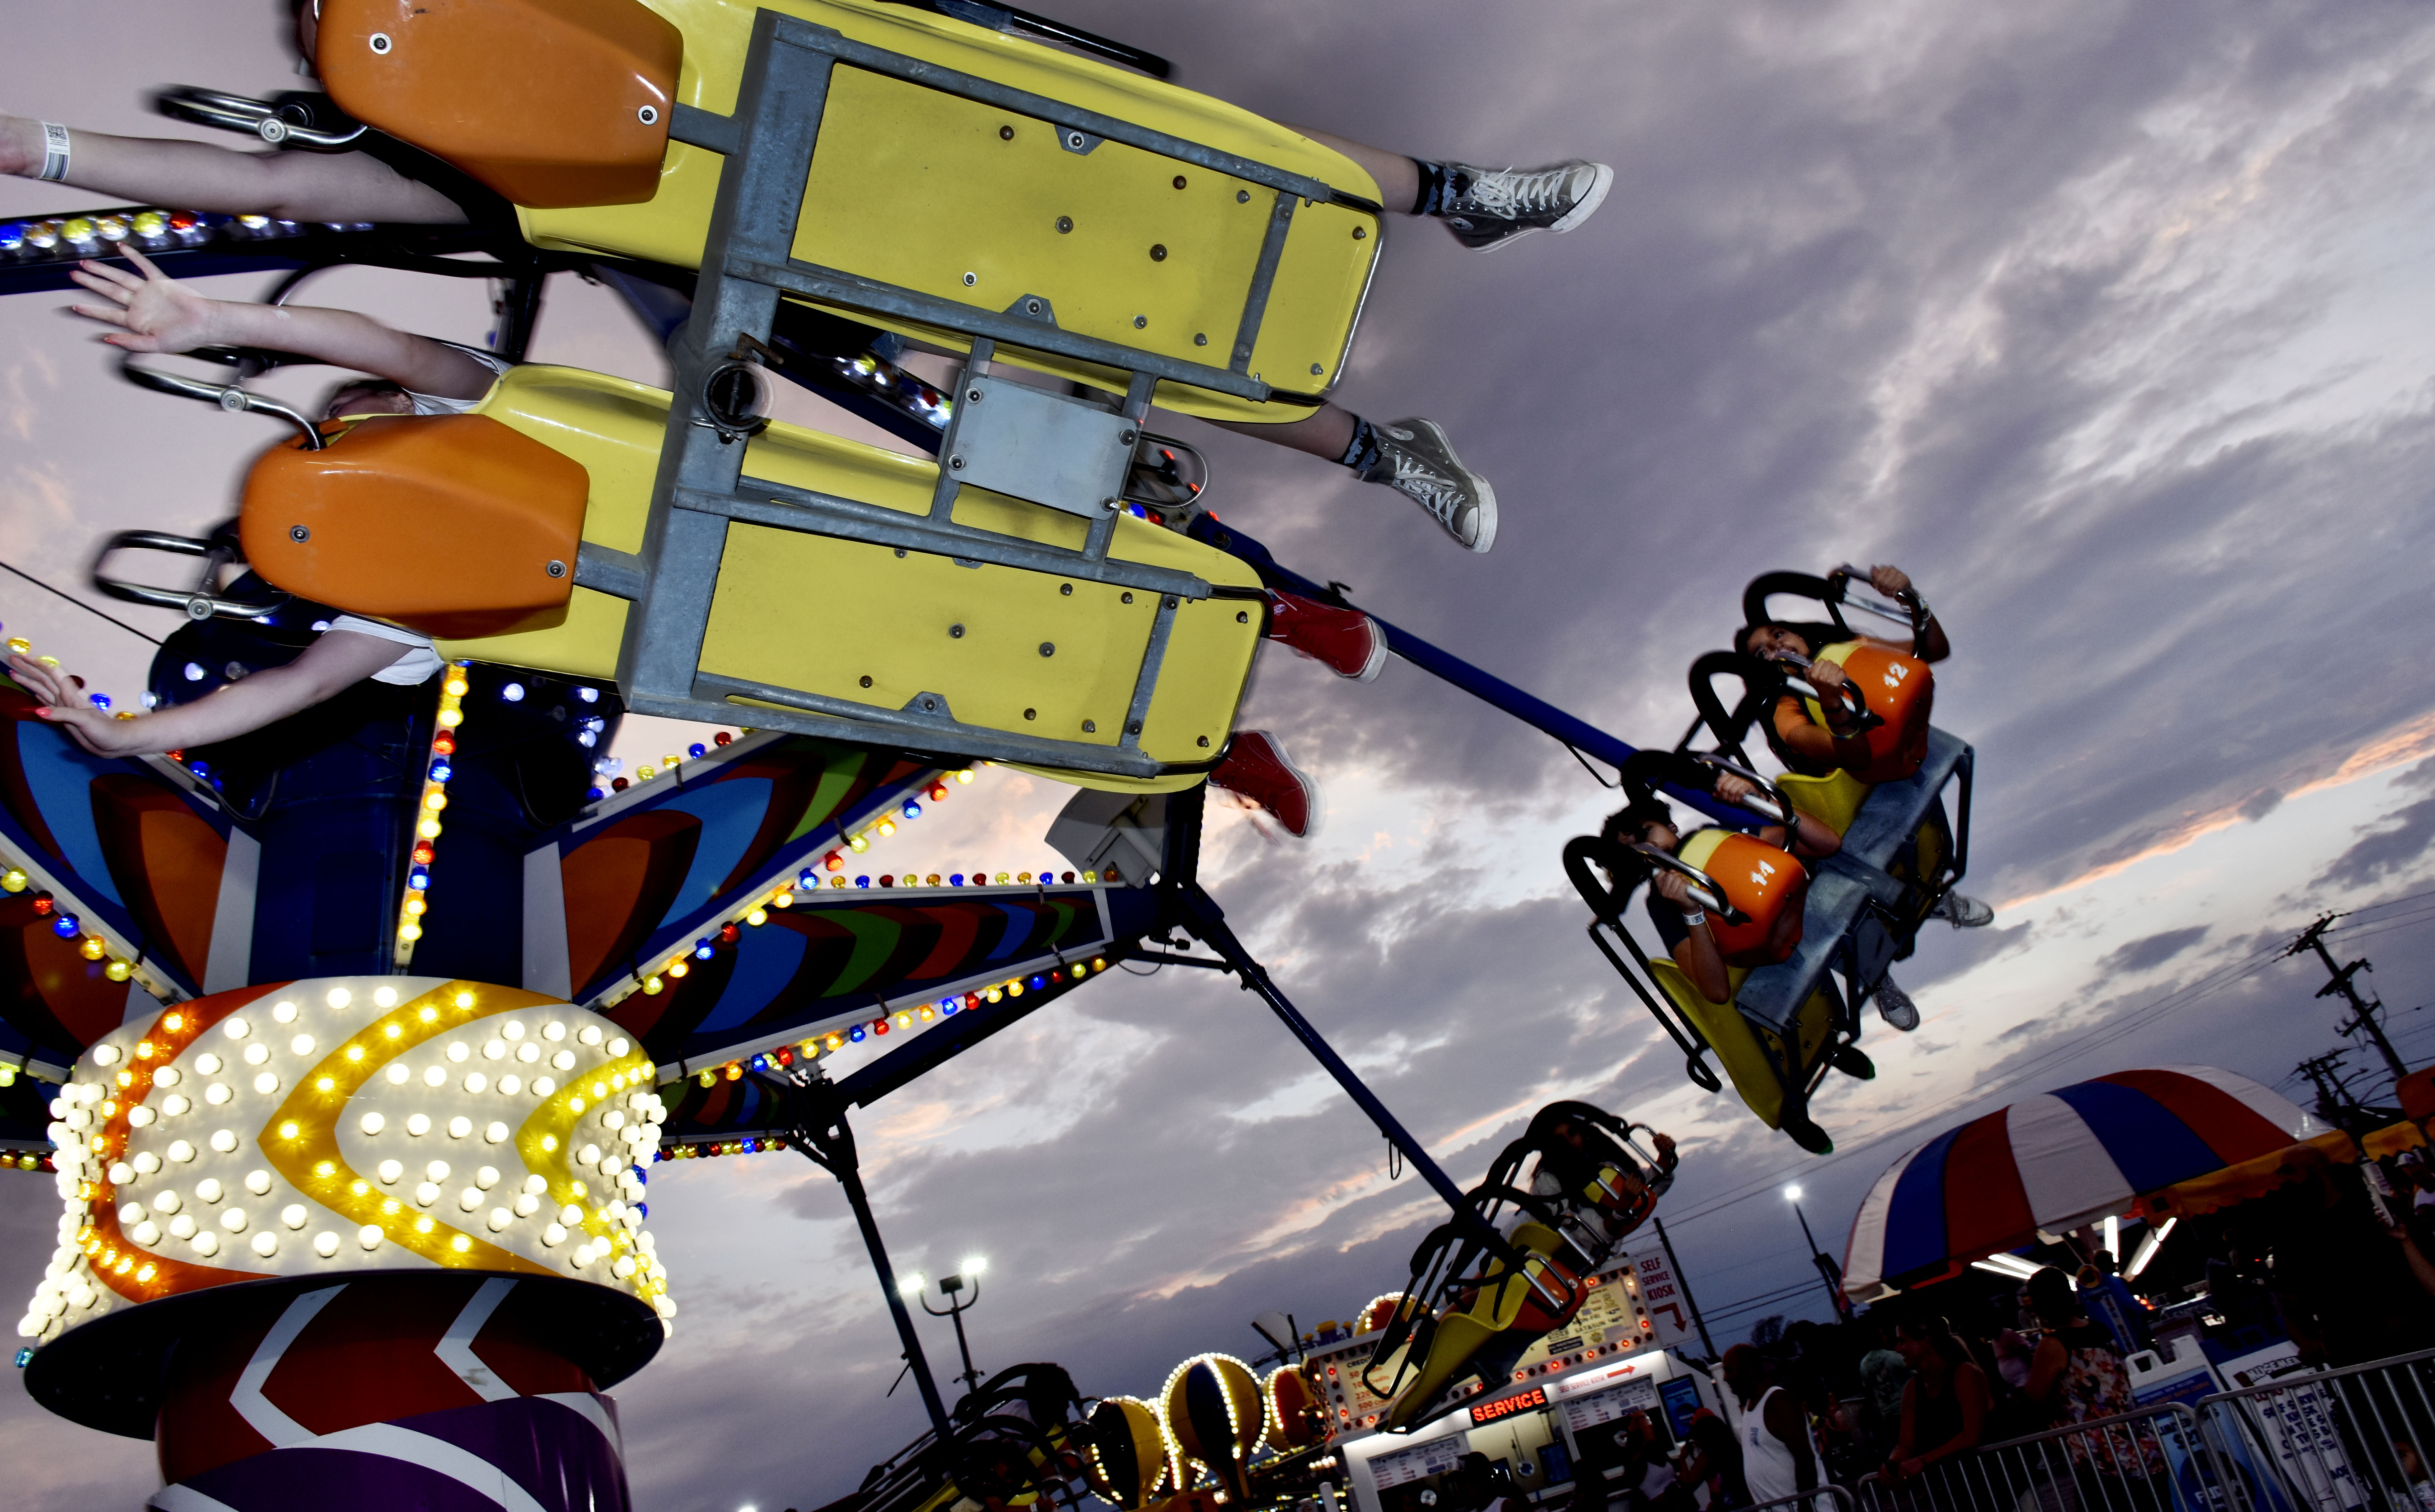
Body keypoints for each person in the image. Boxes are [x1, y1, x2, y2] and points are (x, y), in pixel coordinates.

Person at [0, 5, 1618, 555]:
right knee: (1110, 353)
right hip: (830, 245)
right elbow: (259, 182)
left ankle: (1451, 192)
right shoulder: (441, 162)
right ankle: (1377, 447)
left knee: (1165, 148)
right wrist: (47, 153)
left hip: (875, 111)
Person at [1734, 565, 1990, 936]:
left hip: (1904, 761)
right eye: (1763, 654)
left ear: (1796, 632)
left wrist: (1910, 597)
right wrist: (1832, 702)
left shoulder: (1848, 651)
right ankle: (1919, 909)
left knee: (1922, 841)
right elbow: (1854, 758)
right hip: (1854, 806)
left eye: (1778, 635)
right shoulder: (1785, 712)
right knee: (1868, 872)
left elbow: (1932, 650)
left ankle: (1928, 897)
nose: (1779, 648)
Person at [1599, 773, 1840, 1007]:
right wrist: (1692, 911)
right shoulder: (1662, 903)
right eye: (1634, 852)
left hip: (1821, 910)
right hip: (1776, 968)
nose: (1648, 848)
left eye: (1646, 833)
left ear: (1670, 825)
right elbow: (1716, 991)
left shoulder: (1715, 836)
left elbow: (1827, 844)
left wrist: (1763, 800)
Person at [2021, 1267, 2167, 1512]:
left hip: (2100, 1458)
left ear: (2040, 1305)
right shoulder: (2102, 1330)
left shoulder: (2053, 1346)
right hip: (2139, 1444)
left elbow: (2034, 1397)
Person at [1882, 1317, 1992, 1497]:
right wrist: (1892, 1465)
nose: (1898, 1349)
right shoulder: (1912, 1389)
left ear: (1925, 1341)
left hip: (1993, 1480)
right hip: (1957, 1489)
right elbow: (1905, 1444)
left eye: (1903, 1341)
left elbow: (1973, 1435)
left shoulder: (1964, 1374)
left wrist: (1923, 1461)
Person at [1722, 1345, 1819, 1511]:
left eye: (1730, 1370)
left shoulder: (1779, 1402)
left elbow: (1806, 1461)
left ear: (1749, 1369)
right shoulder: (1750, 1409)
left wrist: (1805, 1508)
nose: (1725, 1378)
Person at [1854, 1318, 1912, 1461]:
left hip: (1887, 1413)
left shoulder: (1865, 1364)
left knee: (1900, 1447)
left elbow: (1868, 1389)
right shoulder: (1894, 1357)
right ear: (1881, 1338)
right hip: (1907, 1408)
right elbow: (1914, 1374)